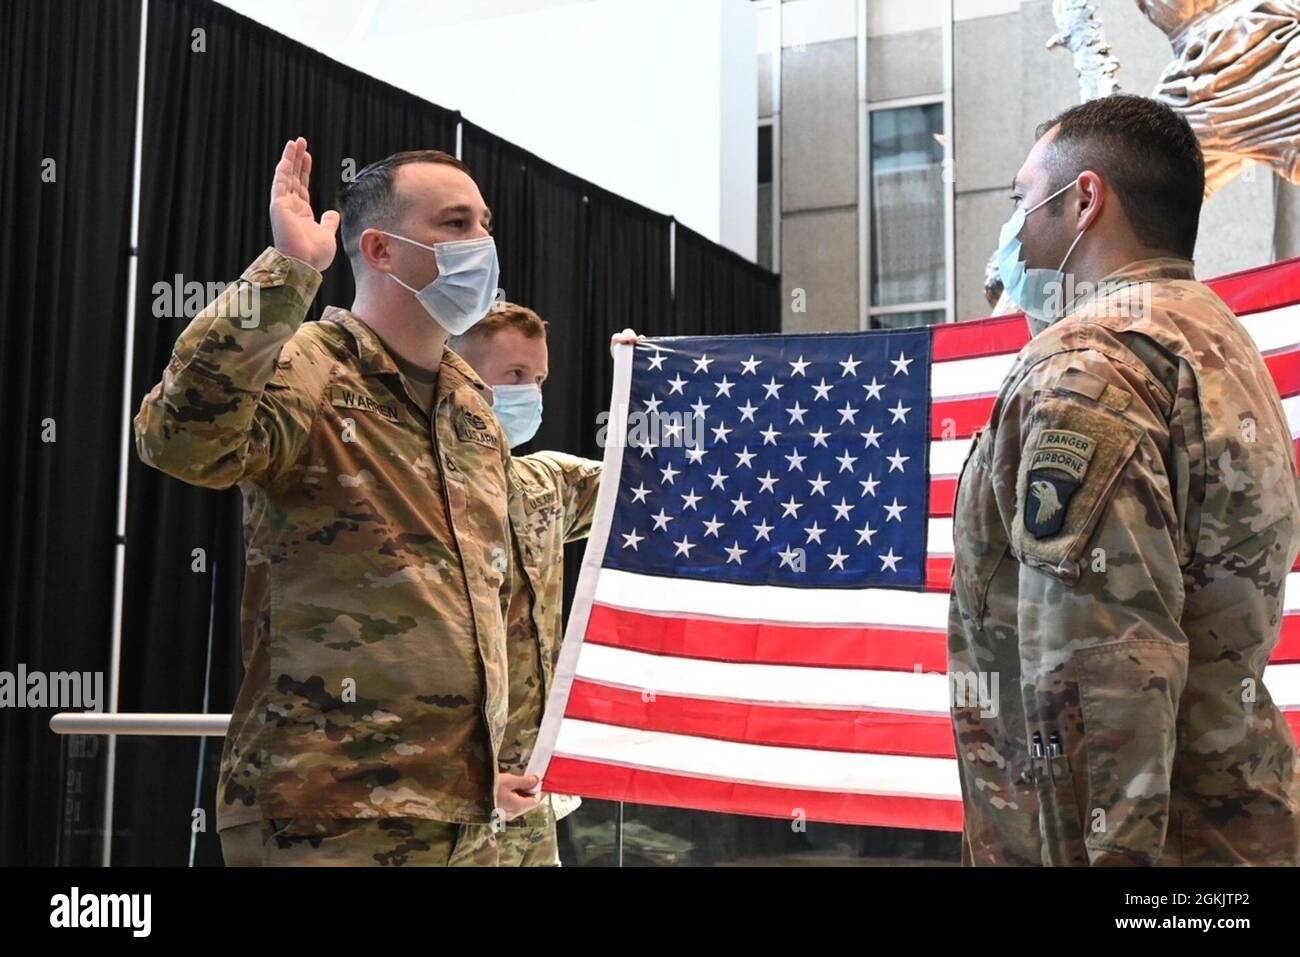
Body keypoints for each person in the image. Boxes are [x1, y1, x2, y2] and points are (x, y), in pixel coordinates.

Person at [134, 138, 540, 866]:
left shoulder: (473, 407)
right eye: (455, 224)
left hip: (466, 818)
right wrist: (290, 272)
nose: (482, 242)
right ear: (381, 248)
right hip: (331, 812)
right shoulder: (313, 365)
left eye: (484, 222)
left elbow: (484, 600)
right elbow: (178, 439)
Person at [948, 94, 1300, 865]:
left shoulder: (1086, 369)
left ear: (1083, 200)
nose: (1013, 229)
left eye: (1021, 201)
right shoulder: (1216, 339)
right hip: (1234, 832)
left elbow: (1097, 683)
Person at [450, 305, 635, 865]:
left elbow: (653, 483)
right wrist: (472, 785)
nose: (530, 392)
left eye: (538, 378)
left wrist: (646, 384)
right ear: (461, 376)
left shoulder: (544, 483)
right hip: (448, 796)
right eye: (513, 376)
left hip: (533, 791)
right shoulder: (416, 486)